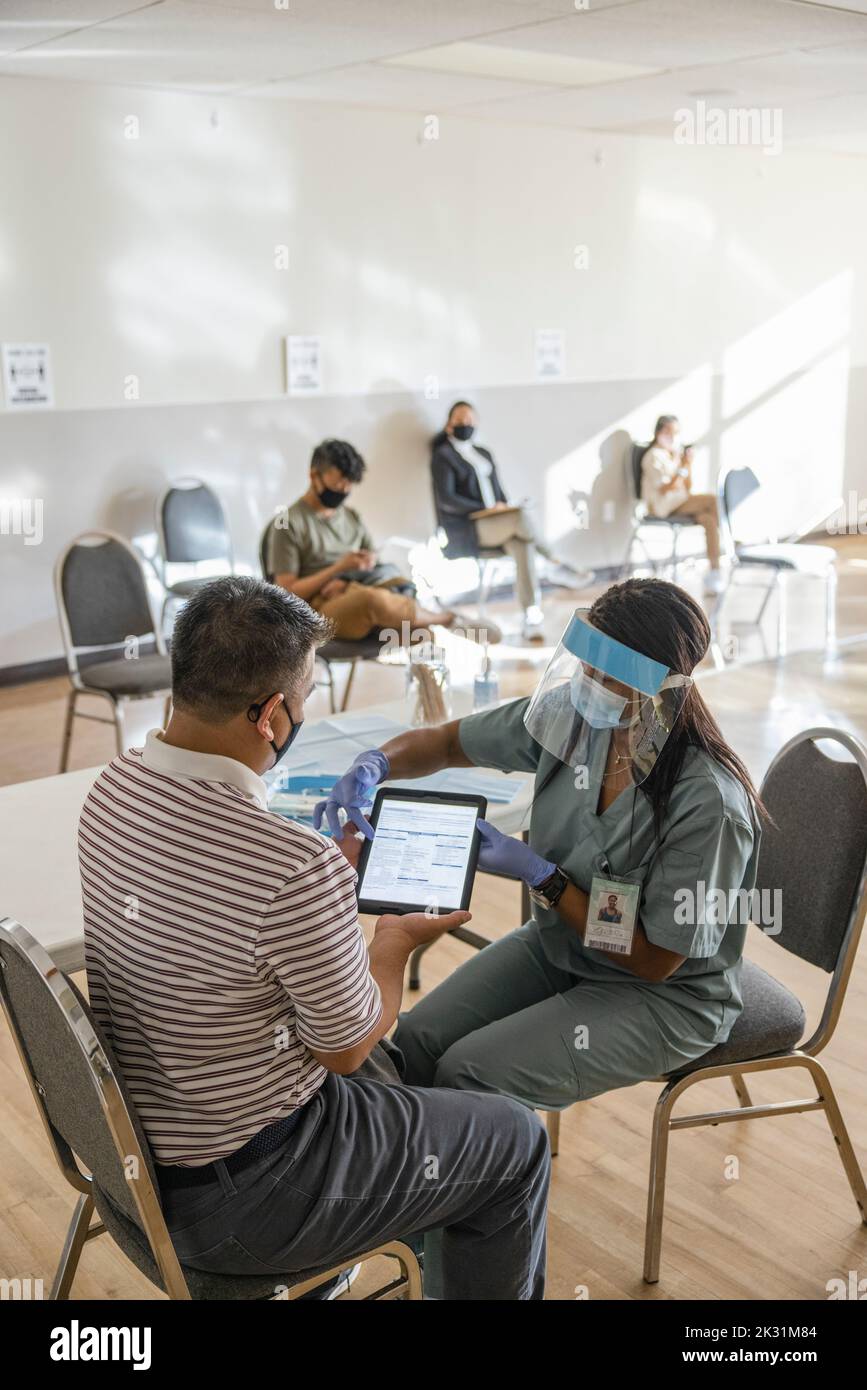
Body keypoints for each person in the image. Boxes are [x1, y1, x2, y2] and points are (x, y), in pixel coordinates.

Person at [78, 576, 549, 1300]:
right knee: (515, 1143)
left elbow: (211, 920)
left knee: (410, 1081)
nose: (304, 712)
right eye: (305, 698)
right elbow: (346, 1047)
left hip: (139, 1158)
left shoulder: (111, 790)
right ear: (270, 716)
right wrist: (392, 939)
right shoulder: (291, 867)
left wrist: (318, 899)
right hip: (246, 1197)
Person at [318, 577, 764, 1114]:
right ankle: (410, 1183)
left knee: (469, 1075)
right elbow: (445, 742)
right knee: (412, 1045)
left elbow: (652, 960)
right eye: (585, 664)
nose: (588, 683)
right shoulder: (575, 721)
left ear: (654, 685)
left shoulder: (706, 802)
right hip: (564, 946)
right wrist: (379, 763)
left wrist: (544, 878)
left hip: (663, 997)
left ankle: (470, 1188)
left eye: (607, 674)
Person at [266, 437, 500, 646]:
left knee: (421, 633)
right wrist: (338, 569)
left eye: (350, 484)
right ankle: (447, 619)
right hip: (317, 609)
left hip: (356, 589)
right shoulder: (287, 522)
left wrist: (351, 574)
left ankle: (430, 651)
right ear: (314, 475)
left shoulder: (350, 517)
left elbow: (372, 556)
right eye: (338, 483)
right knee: (372, 601)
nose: (344, 489)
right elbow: (285, 590)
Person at [431, 401, 592, 643]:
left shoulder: (483, 453)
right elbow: (446, 500)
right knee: (520, 519)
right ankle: (553, 563)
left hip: (499, 522)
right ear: (449, 424)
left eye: (470, 421)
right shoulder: (442, 456)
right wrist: (485, 509)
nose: (466, 425)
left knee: (523, 544)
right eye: (460, 420)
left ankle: (530, 617)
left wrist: (504, 507)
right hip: (469, 527)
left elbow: (499, 494)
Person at [641, 415, 724, 594]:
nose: (672, 436)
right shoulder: (652, 456)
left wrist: (688, 465)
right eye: (668, 432)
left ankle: (714, 571)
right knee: (712, 501)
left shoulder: (673, 455)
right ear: (658, 432)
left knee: (709, 519)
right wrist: (683, 467)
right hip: (664, 506)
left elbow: (687, 486)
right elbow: (665, 489)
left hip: (680, 502)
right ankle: (730, 542)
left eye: (676, 432)